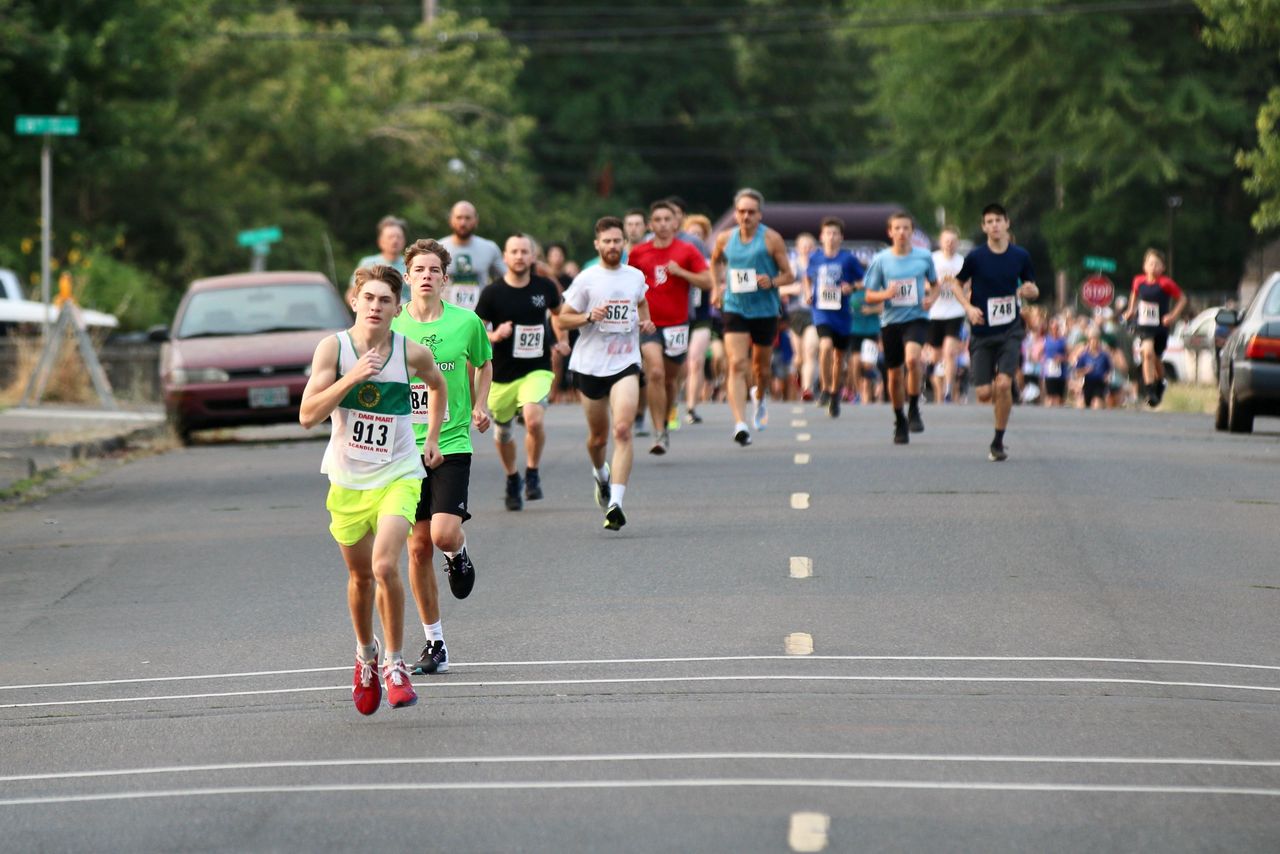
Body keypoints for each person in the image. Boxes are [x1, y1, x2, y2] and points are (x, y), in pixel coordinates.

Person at [300, 264, 447, 715]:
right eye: (369, 299)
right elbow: (308, 415)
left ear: (397, 308)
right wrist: (352, 378)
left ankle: (395, 663)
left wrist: (434, 437)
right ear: (354, 301)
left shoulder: (411, 352)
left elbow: (438, 385)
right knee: (360, 578)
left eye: (385, 300)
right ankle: (365, 655)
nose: (376, 307)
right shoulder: (334, 349)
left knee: (386, 565)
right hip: (347, 480)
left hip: (399, 474)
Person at [391, 239, 494, 677]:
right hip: (403, 446)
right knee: (416, 548)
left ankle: (460, 553)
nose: (427, 276)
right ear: (408, 277)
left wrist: (480, 404)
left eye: (435, 270)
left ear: (445, 279)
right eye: (419, 270)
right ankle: (435, 643)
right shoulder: (392, 326)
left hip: (451, 441)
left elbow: (484, 363)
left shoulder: (466, 322)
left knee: (443, 536)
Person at [557, 216, 655, 530]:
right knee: (598, 438)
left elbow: (642, 303)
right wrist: (588, 316)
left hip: (625, 362)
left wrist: (646, 322)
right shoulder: (586, 279)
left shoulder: (635, 276)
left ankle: (616, 502)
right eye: (607, 241)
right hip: (589, 365)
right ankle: (601, 475)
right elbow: (562, 319)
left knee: (623, 430)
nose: (613, 246)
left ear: (624, 243)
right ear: (597, 244)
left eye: (617, 241)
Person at [476, 233, 568, 510]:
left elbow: (558, 313)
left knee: (534, 419)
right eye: (513, 251)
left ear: (532, 256)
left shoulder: (545, 287)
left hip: (536, 368)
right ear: (505, 257)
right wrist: (494, 335)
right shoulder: (492, 293)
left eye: (524, 251)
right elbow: (477, 330)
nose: (518, 256)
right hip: (502, 374)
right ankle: (512, 478)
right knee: (503, 433)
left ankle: (532, 472)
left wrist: (561, 339)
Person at [949, 203, 1039, 461]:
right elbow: (956, 284)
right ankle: (1001, 396)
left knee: (1003, 384)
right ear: (983, 227)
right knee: (984, 393)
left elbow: (1033, 286)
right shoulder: (976, 257)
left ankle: (998, 441)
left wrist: (1029, 290)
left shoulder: (1020, 256)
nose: (994, 225)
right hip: (982, 331)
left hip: (1010, 329)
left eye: (998, 220)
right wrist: (968, 307)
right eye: (989, 221)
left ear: (1007, 223)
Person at [709, 188, 795, 446]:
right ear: (736, 214)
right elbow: (714, 262)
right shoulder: (725, 238)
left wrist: (771, 281)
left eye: (751, 212)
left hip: (765, 310)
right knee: (736, 364)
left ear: (759, 215)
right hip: (735, 306)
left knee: (761, 367)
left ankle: (760, 397)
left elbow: (789, 275)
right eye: (742, 211)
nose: (746, 216)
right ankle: (740, 423)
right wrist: (716, 287)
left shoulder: (771, 239)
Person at [628, 200, 711, 454]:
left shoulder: (687, 251)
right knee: (654, 373)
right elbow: (627, 285)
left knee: (670, 379)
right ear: (651, 224)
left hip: (677, 324)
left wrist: (682, 273)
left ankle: (664, 418)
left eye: (667, 219)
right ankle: (659, 432)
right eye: (658, 220)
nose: (663, 224)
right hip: (649, 324)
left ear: (675, 223)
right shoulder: (639, 253)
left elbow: (707, 281)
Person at [862, 211, 939, 444]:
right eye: (897, 228)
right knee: (894, 376)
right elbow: (868, 295)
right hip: (891, 321)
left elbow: (935, 285)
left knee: (913, 360)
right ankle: (899, 419)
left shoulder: (924, 257)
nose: (902, 232)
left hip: (916, 317)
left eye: (906, 228)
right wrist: (885, 294)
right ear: (890, 232)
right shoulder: (881, 259)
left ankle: (914, 406)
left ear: (912, 232)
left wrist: (931, 299)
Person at [804, 217, 864, 417]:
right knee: (825, 346)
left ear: (841, 237)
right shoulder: (815, 258)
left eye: (835, 233)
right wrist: (807, 292)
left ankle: (834, 392)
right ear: (821, 237)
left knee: (839, 358)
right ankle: (823, 386)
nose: (831, 237)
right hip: (821, 311)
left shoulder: (848, 259)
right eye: (827, 233)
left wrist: (852, 287)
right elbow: (806, 276)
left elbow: (864, 281)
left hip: (842, 314)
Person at [1121, 247, 1186, 407]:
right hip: (1144, 325)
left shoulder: (1166, 283)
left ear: (1163, 268)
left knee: (1156, 357)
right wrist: (1130, 310)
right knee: (1147, 353)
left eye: (1157, 264)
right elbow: (1134, 294)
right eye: (1150, 264)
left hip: (1160, 327)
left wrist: (1172, 316)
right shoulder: (1139, 281)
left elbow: (1182, 299)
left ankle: (1160, 382)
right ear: (1144, 266)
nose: (1153, 267)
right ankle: (1150, 390)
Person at [681, 213, 716, 424]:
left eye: (699, 235)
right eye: (691, 234)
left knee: (696, 360)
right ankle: (672, 405)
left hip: (701, 314)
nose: (694, 239)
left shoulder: (710, 260)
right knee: (678, 366)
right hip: (678, 316)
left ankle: (691, 407)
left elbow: (719, 280)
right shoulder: (676, 257)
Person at [439, 201, 506, 311]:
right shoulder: (438, 249)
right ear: (451, 220)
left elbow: (507, 279)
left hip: (480, 315)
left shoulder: (490, 248)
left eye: (468, 218)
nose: (463, 223)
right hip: (446, 314)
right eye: (459, 217)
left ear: (476, 220)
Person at [928, 225, 966, 402]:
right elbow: (923, 283)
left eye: (953, 241)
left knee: (950, 352)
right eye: (946, 241)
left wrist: (957, 286)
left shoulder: (962, 262)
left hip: (955, 312)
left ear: (957, 243)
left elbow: (969, 285)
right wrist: (936, 285)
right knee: (936, 356)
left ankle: (949, 389)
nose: (949, 244)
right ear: (940, 242)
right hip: (935, 312)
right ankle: (934, 380)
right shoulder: (932, 260)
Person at [784, 232, 819, 401]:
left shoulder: (819, 267)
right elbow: (777, 289)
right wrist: (792, 289)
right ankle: (798, 375)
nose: (806, 249)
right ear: (797, 249)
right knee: (799, 358)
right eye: (803, 246)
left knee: (810, 350)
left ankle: (807, 389)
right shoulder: (792, 267)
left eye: (810, 246)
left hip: (813, 314)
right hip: (795, 314)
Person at [351, 216, 409, 301]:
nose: (395, 241)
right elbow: (352, 293)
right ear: (380, 241)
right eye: (390, 237)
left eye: (398, 237)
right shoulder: (367, 264)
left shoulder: (411, 265)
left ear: (404, 241)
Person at [1073, 328, 1112, 409]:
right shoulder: (1084, 356)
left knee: (1097, 404)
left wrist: (1107, 377)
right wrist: (1085, 370)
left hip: (1099, 384)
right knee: (1082, 405)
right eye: (1092, 340)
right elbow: (1076, 372)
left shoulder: (1104, 356)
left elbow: (1109, 370)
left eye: (1096, 340)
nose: (1094, 343)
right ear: (1089, 341)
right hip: (1088, 383)